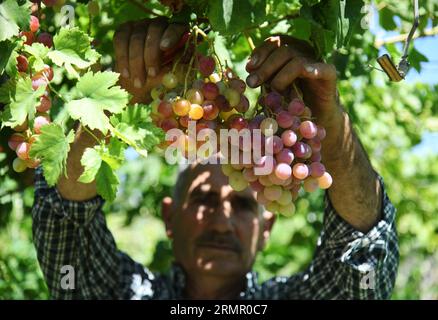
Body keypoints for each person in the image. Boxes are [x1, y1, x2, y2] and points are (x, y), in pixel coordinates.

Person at [32, 19, 399, 299]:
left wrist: (329, 120)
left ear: (266, 229)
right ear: (168, 217)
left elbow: (364, 267)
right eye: (203, 199)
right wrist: (119, 94)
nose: (222, 221)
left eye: (241, 204)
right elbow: (66, 226)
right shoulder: (125, 291)